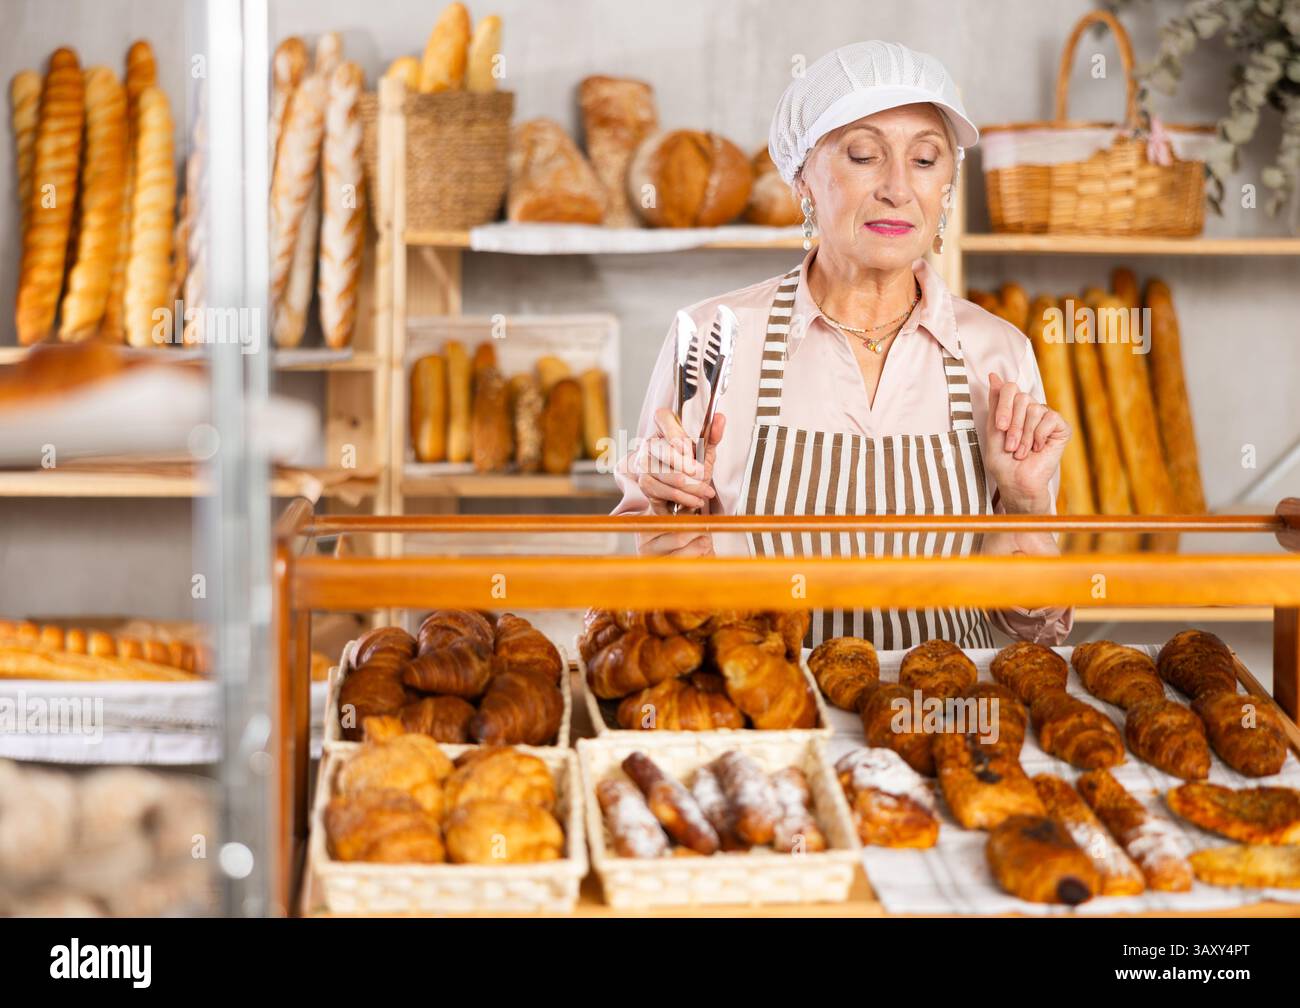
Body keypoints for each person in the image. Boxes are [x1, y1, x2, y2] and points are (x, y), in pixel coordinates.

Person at [613, 41, 1073, 649]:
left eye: (927, 160)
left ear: (947, 190)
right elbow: (648, 609)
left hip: (946, 716)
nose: (897, 189)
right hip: (777, 720)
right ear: (803, 177)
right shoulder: (712, 340)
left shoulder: (998, 353)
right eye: (863, 155)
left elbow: (1032, 634)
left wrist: (1024, 510)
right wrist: (668, 539)